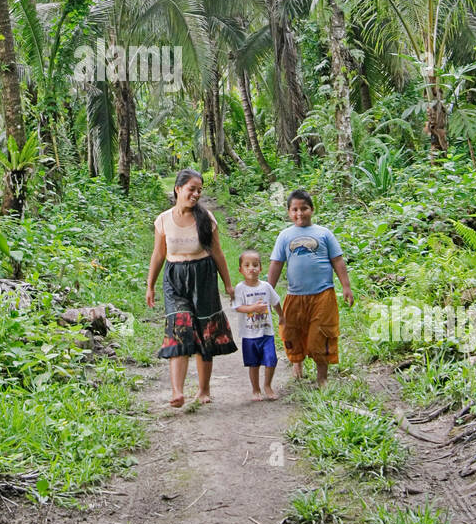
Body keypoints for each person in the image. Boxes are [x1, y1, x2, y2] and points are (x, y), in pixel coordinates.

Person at [146, 169, 237, 407]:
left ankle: (204, 390)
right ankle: (177, 392)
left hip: (203, 275)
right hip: (174, 277)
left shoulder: (205, 218)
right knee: (179, 328)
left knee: (204, 330)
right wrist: (151, 286)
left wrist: (227, 284)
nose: (196, 194)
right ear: (178, 189)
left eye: (199, 190)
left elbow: (217, 252)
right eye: (191, 189)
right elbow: (158, 254)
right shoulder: (163, 220)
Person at [268, 189, 354, 387]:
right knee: (292, 331)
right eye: (295, 209)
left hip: (323, 295)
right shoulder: (284, 236)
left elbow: (338, 261)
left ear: (312, 210)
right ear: (289, 212)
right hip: (295, 295)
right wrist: (268, 290)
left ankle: (322, 377)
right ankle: (297, 364)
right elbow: (276, 264)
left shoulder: (324, 234)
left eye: (304, 208)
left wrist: (346, 287)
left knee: (322, 334)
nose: (299, 213)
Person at [234, 250, 283, 400]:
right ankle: (256, 389)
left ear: (261, 268)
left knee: (271, 360)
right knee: (253, 363)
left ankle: (267, 385)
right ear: (241, 270)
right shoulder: (240, 288)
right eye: (247, 265)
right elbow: (237, 307)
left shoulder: (266, 286)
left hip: (266, 332)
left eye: (255, 265)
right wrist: (252, 308)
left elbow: (275, 302)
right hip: (249, 334)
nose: (251, 268)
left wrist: (282, 316)